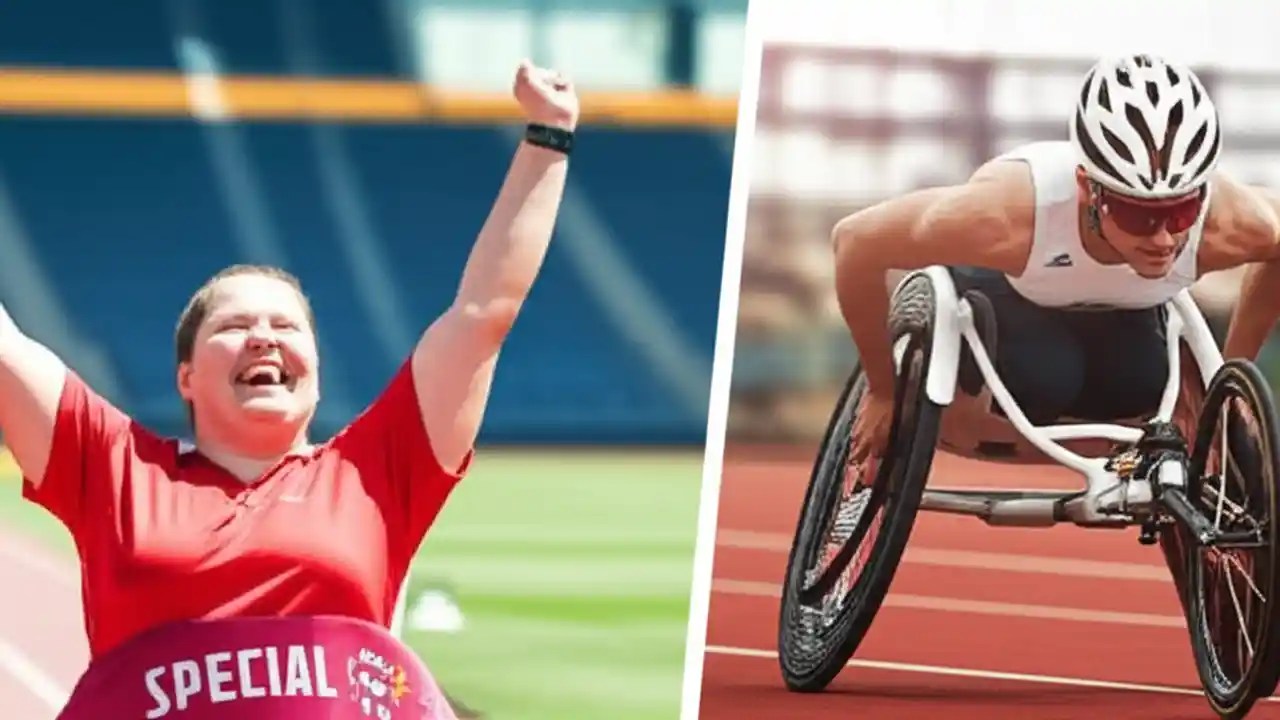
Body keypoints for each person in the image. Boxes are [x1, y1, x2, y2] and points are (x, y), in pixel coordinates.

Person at [0, 59, 577, 718]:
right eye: (235, 324)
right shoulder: (111, 466)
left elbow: (483, 313)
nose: (264, 337)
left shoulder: (376, 470)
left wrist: (549, 137)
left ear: (317, 367)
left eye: (285, 325)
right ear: (185, 376)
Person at [831, 54, 1280, 587]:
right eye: (1140, 215)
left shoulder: (1230, 221)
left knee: (1139, 381)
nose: (1164, 238)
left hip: (1122, 316)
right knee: (1049, 374)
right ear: (1092, 191)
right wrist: (882, 388)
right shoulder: (1005, 215)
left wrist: (1229, 379)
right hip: (1011, 292)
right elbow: (855, 242)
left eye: (1180, 213)